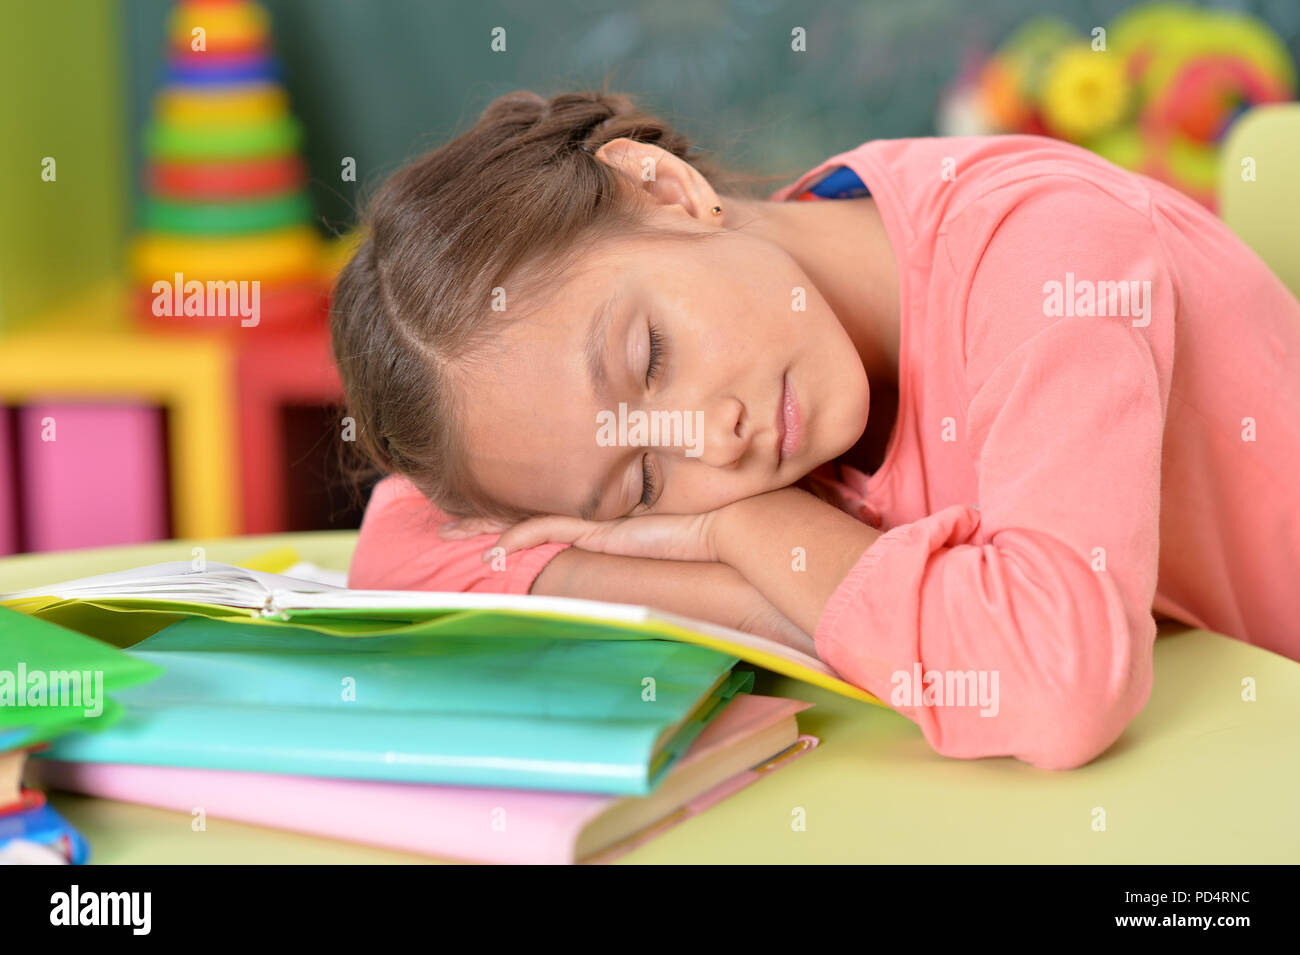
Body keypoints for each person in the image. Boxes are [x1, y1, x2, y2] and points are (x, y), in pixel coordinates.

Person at [329, 89, 1300, 769]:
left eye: (651, 355)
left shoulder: (1048, 246)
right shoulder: (764, 342)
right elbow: (405, 544)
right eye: (641, 486)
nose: (715, 442)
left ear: (666, 190)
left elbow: (1054, 683)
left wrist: (743, 537)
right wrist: (787, 595)